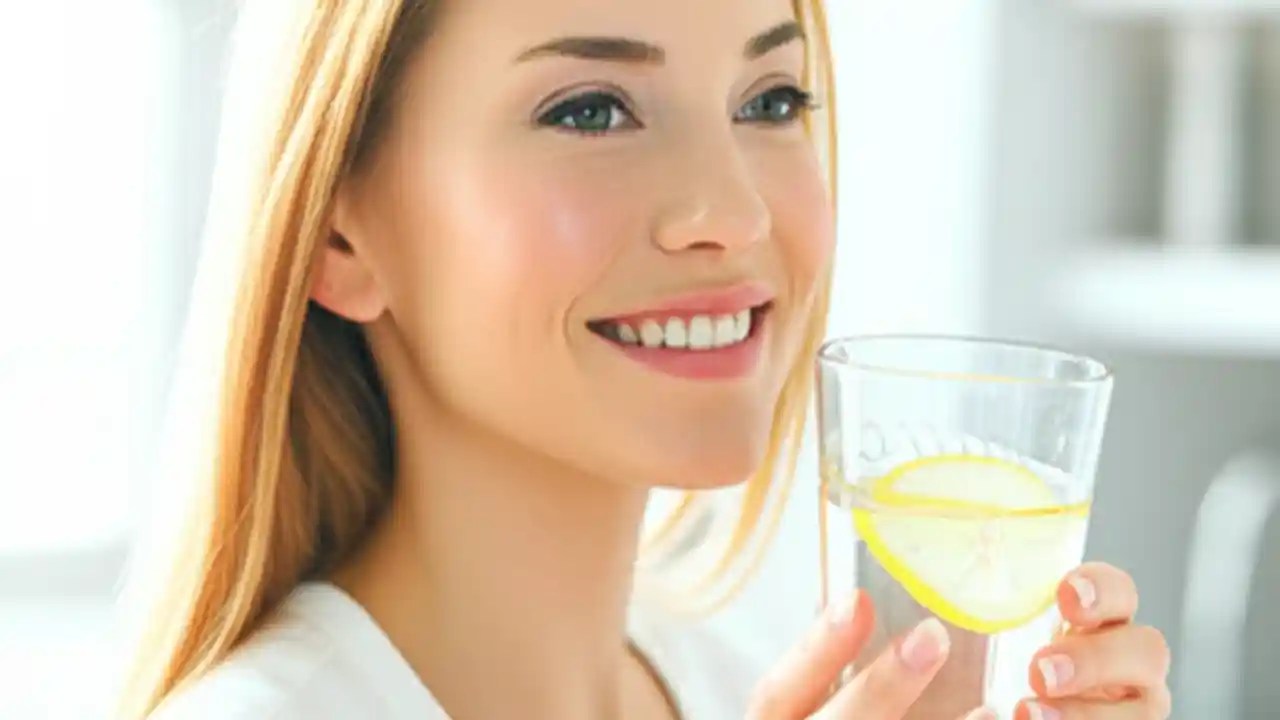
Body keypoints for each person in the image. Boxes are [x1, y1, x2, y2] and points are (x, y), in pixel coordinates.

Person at [116, 0, 1172, 718]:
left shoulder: (745, 686)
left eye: (770, 101)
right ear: (339, 235)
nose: (732, 210)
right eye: (588, 110)